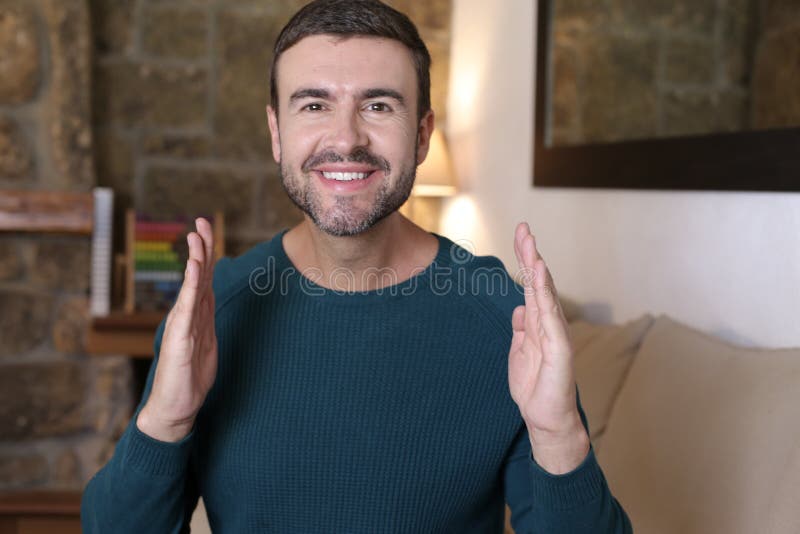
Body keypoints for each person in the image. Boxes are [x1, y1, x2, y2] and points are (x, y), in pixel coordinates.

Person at [81, 1, 632, 532]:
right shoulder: (213, 312)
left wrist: (559, 434)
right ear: (276, 132)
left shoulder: (504, 319)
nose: (346, 138)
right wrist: (165, 422)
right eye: (314, 105)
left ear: (421, 134)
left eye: (378, 105)